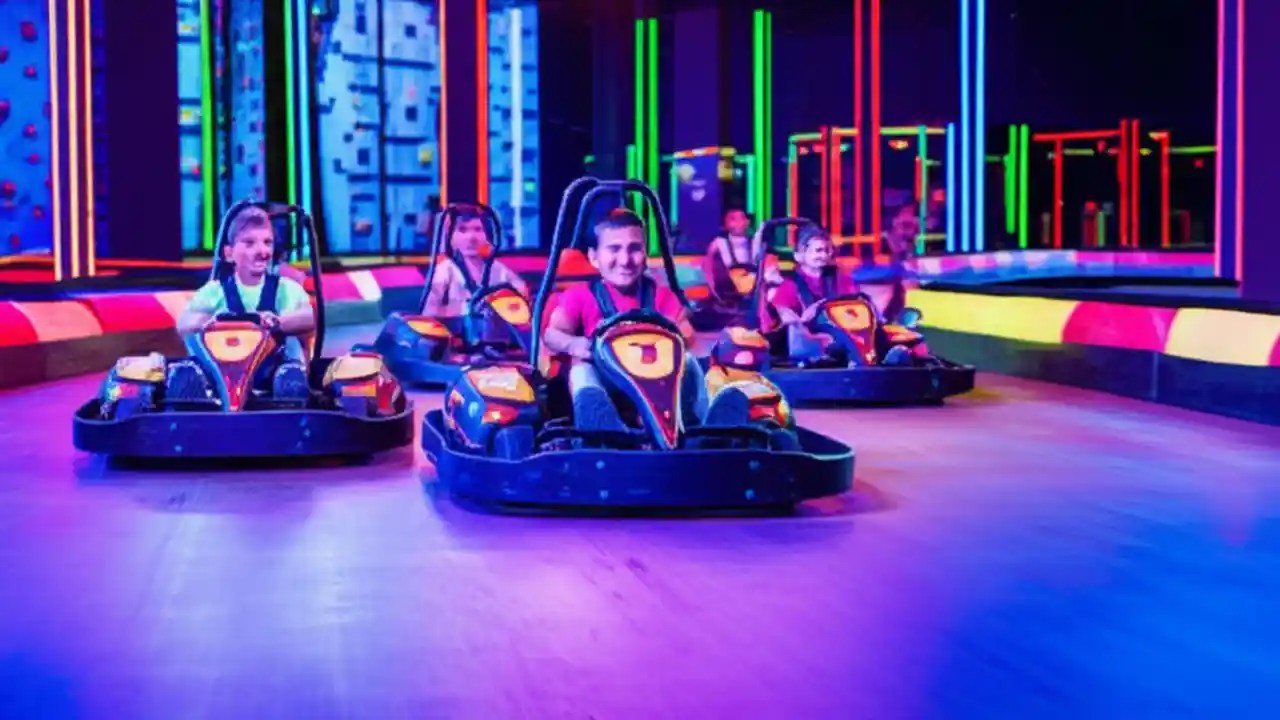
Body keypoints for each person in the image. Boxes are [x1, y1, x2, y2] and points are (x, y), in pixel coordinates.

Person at [543, 208, 709, 431]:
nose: (625, 260)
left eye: (634, 249)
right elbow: (551, 334)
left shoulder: (661, 296)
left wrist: (680, 337)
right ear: (594, 257)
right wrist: (574, 344)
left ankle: (694, 428)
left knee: (689, 361)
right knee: (581, 369)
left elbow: (689, 339)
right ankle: (602, 430)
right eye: (614, 249)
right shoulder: (580, 296)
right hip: (607, 381)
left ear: (645, 254)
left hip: (658, 384)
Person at [177, 206, 316, 392]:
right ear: (229, 253)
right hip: (223, 376)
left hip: (271, 380)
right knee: (186, 367)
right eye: (250, 243)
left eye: (267, 243)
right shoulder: (214, 292)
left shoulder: (286, 289)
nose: (262, 251)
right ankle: (192, 395)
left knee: (291, 355)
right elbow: (184, 325)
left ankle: (291, 392)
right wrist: (215, 321)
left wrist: (276, 322)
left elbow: (308, 319)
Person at [762, 224, 858, 359]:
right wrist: (803, 321)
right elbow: (785, 316)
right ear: (799, 255)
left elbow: (854, 303)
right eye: (818, 251)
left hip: (844, 330)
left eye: (826, 250)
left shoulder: (840, 278)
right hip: (809, 339)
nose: (823, 255)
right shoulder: (790, 284)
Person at [422, 207, 529, 317]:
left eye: (478, 229)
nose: (471, 237)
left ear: (487, 236)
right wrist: (466, 309)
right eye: (462, 230)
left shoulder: (496, 267)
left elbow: (521, 290)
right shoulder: (445, 270)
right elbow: (429, 312)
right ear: (452, 237)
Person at [702, 208, 758, 307]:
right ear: (727, 223)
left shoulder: (756, 243)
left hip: (753, 292)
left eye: (742, 219)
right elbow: (707, 267)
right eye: (733, 219)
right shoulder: (718, 244)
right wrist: (714, 291)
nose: (739, 223)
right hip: (727, 292)